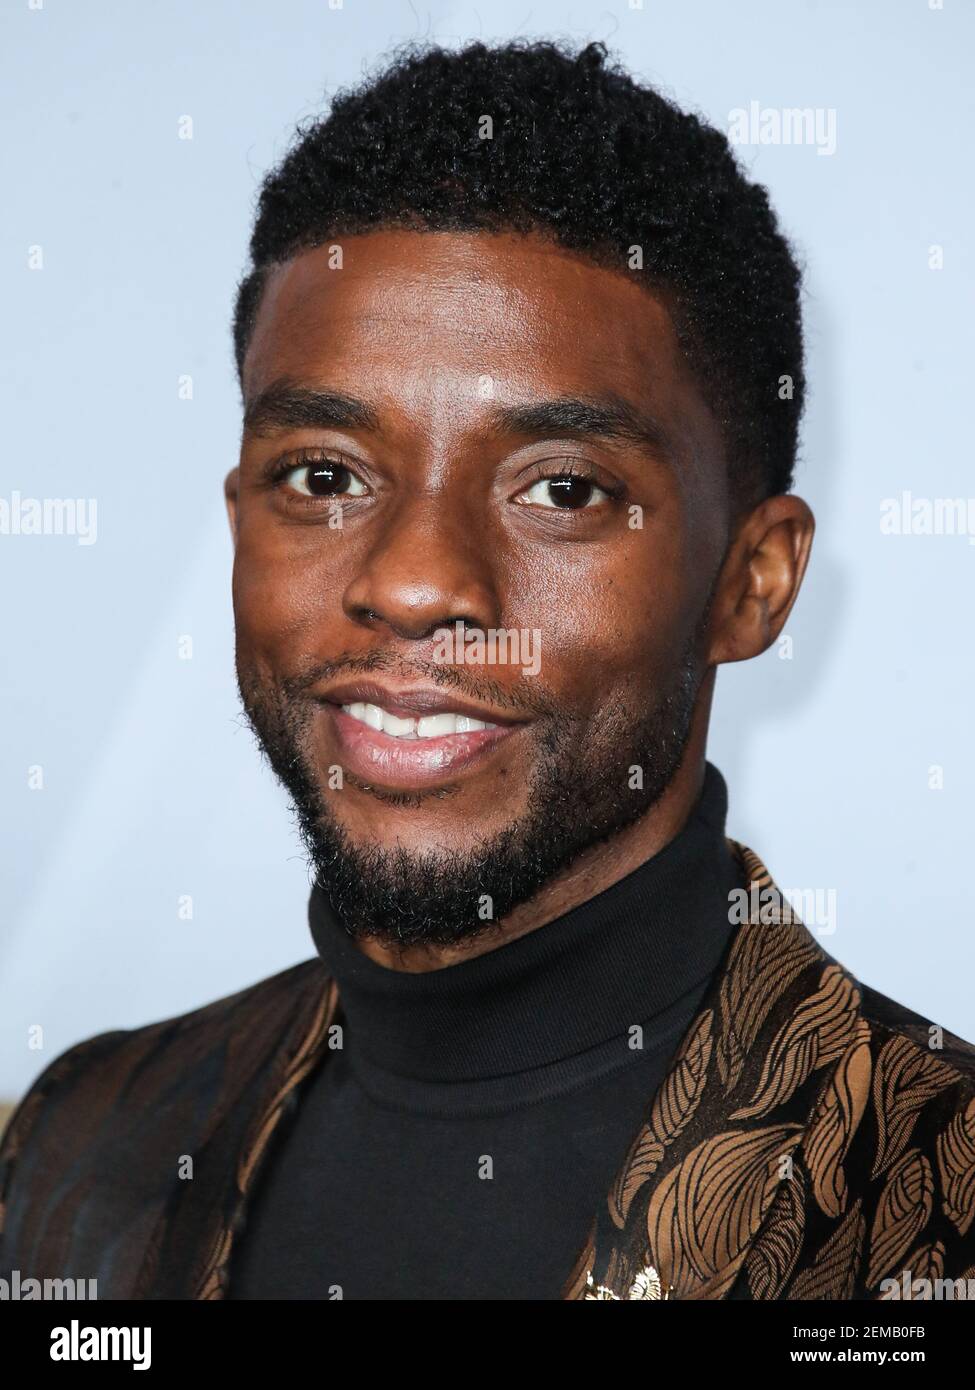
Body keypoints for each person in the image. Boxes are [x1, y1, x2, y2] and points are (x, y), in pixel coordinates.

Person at [3, 39, 974, 1302]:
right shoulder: (74, 1143)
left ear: (752, 582)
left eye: (562, 489)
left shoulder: (933, 1199)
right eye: (324, 476)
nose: (411, 584)